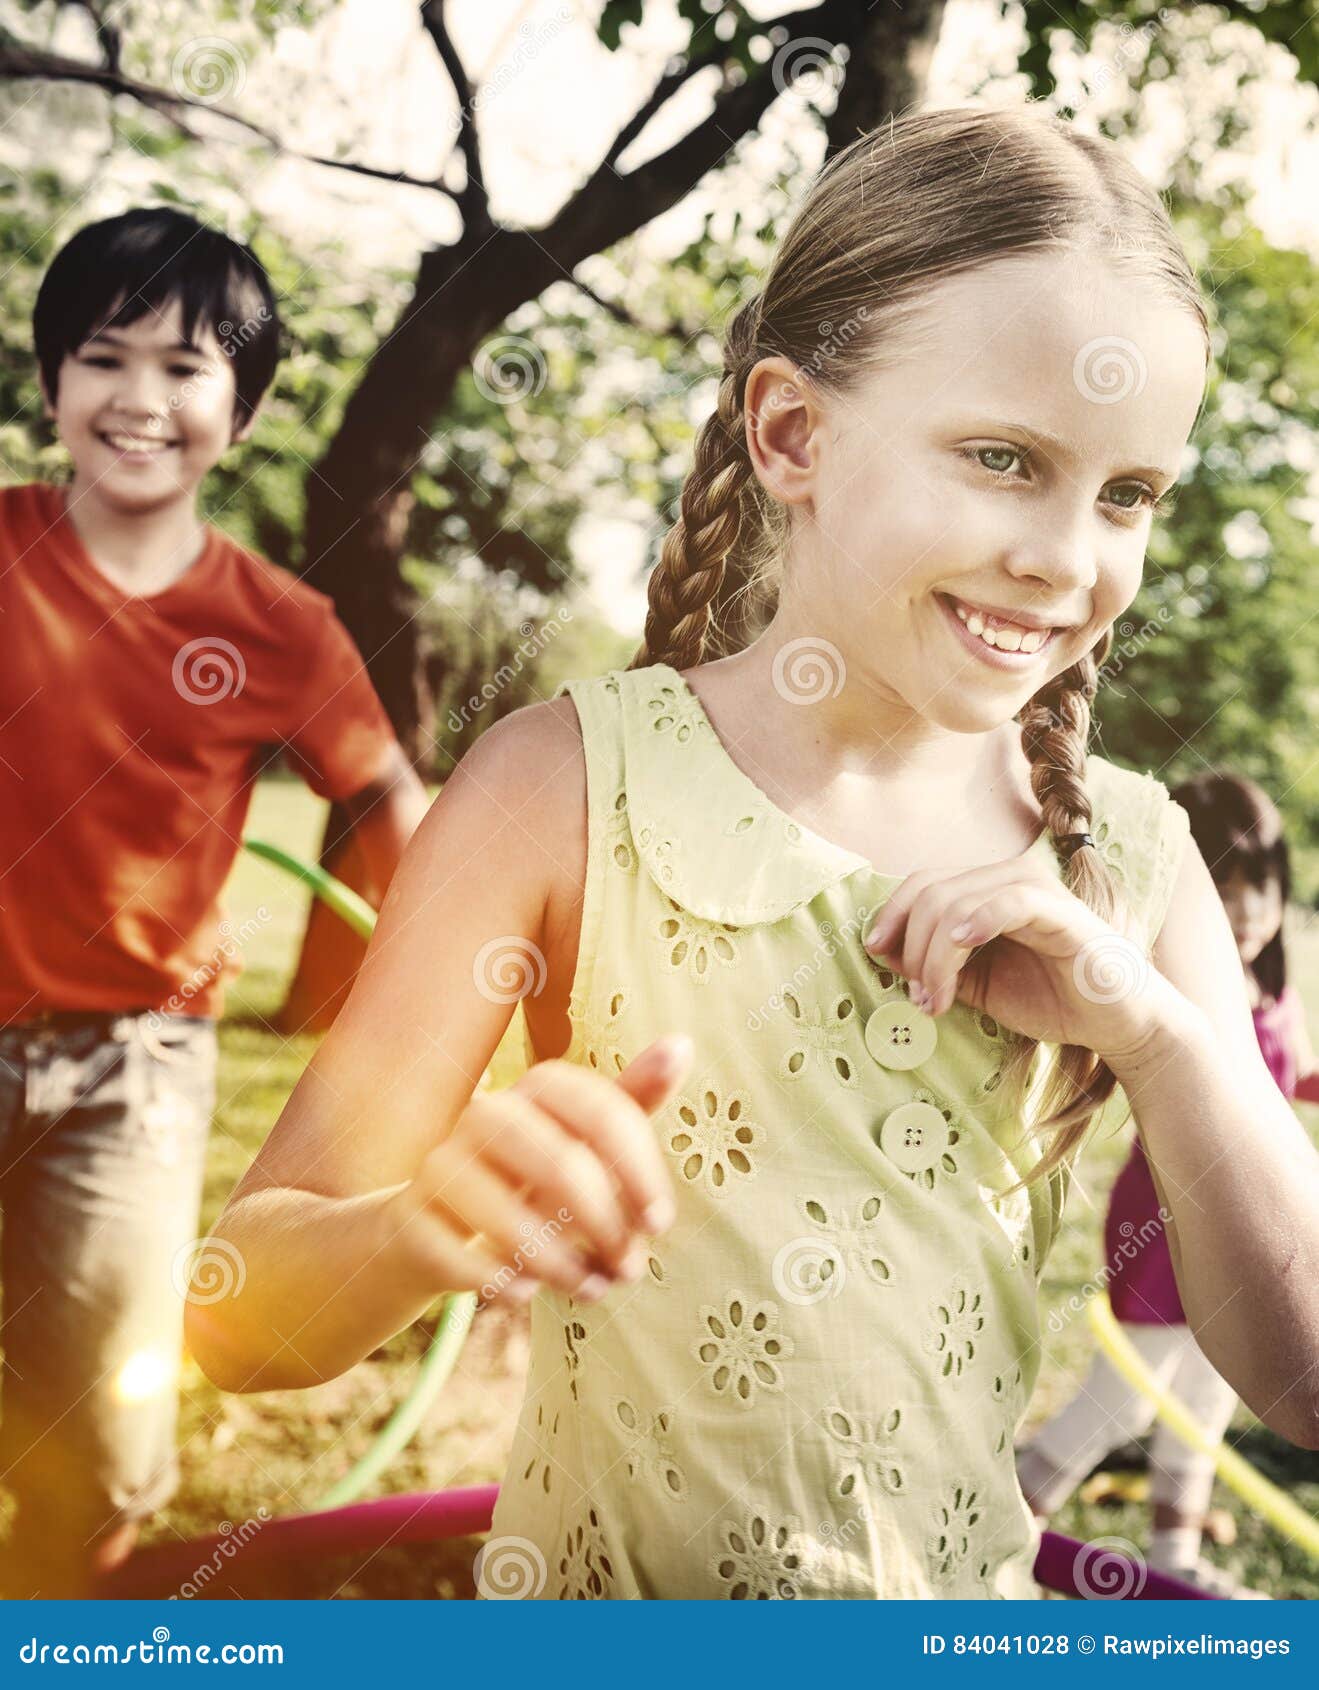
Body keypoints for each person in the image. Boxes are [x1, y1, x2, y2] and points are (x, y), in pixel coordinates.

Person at [189, 106, 1319, 1600]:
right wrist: (415, 1226)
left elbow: (1304, 1384)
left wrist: (1156, 1036)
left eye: (1124, 496)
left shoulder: (1129, 857)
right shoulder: (558, 786)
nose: (1064, 556)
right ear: (791, 433)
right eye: (1001, 458)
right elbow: (238, 1318)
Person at [0, 208, 430, 1597]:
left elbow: (391, 802)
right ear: (52, 381)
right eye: (102, 355)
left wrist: (461, 977)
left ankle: (57, 1617)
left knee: (97, 1432)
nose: (139, 396)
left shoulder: (278, 627)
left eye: (184, 367)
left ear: (238, 411)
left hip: (131, 1068)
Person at [1017, 774, 1319, 1597]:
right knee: (1125, 1399)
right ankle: (1006, 1514)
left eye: (1261, 887)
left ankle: (1173, 1559)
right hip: (1166, 1222)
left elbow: (1283, 1078)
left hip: (1246, 1221)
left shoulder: (1273, 993)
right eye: (1224, 889)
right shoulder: (1176, 986)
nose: (1246, 911)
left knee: (1208, 1399)